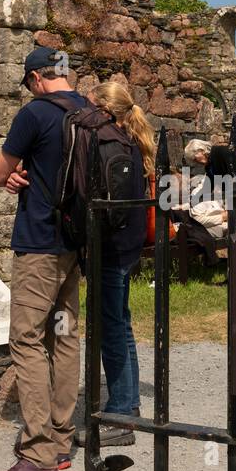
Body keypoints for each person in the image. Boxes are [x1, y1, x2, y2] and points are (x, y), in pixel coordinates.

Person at [0, 47, 89, 471]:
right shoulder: (91, 111)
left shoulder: (35, 113)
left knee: (26, 338)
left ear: (35, 78)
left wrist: (11, 172)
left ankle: (39, 455)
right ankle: (62, 439)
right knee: (64, 336)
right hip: (75, 243)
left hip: (39, 243)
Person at [88, 81, 153, 447]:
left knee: (111, 327)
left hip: (113, 249)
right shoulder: (131, 141)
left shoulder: (111, 143)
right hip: (127, 247)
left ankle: (121, 413)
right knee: (122, 324)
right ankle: (130, 404)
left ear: (103, 110)